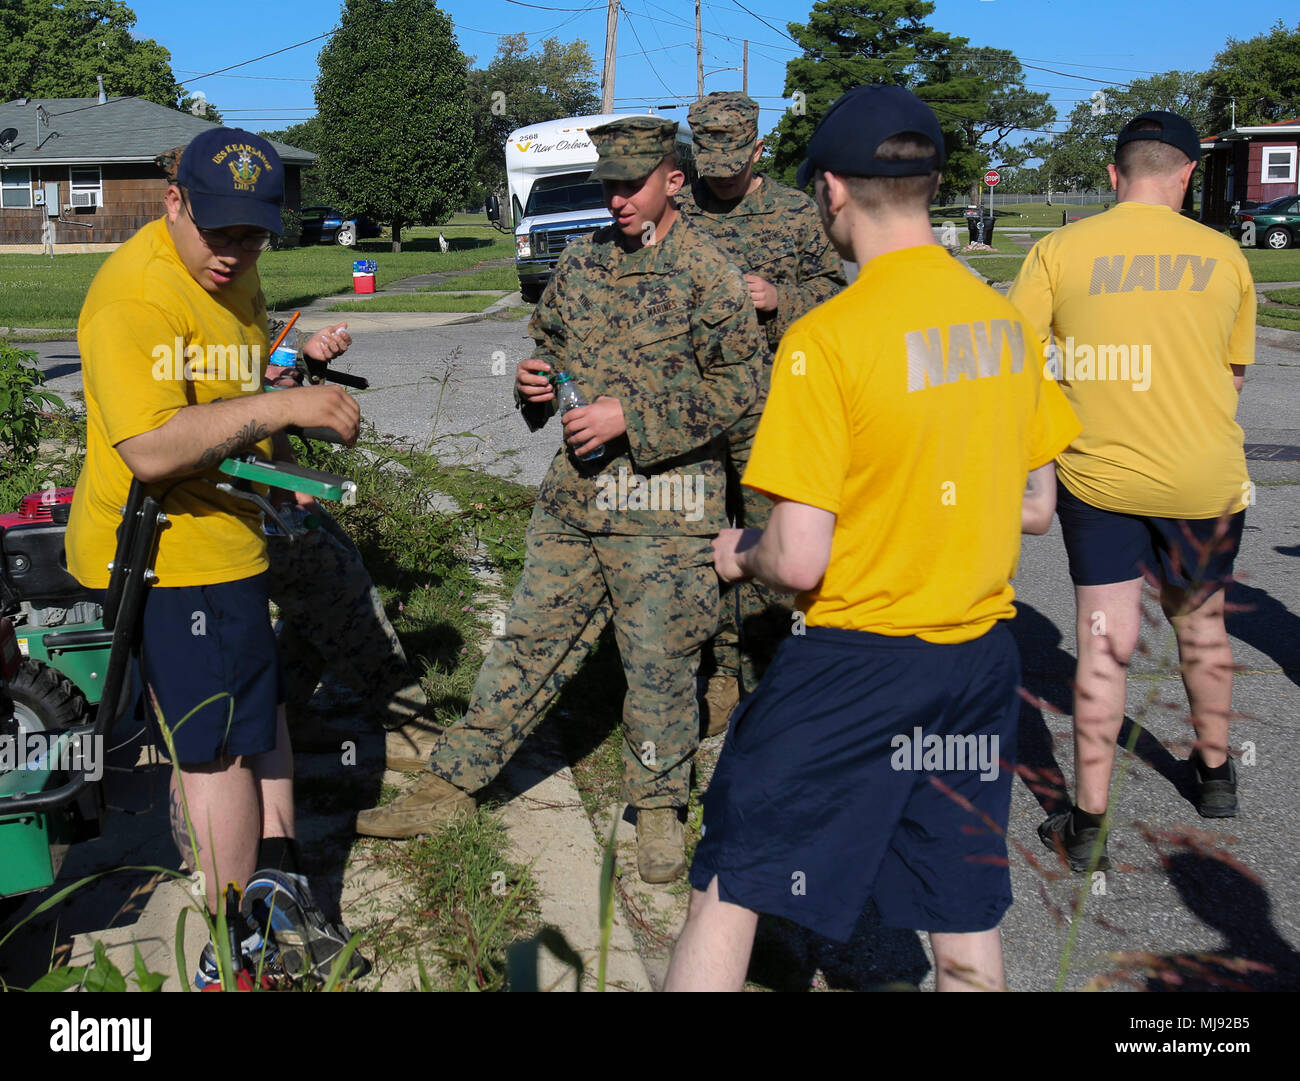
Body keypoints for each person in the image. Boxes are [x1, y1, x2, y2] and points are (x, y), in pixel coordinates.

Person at [663, 85, 1080, 991]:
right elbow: (1037, 504)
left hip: (854, 661)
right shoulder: (1005, 325)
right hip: (978, 662)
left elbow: (801, 557)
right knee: (962, 918)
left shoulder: (827, 340)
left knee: (729, 880)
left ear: (833, 195)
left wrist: (739, 552)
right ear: (930, 188)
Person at [355, 116, 764, 884]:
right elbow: (548, 350)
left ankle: (659, 810)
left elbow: (743, 390)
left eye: (629, 185)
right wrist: (534, 386)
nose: (614, 200)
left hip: (668, 509)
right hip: (576, 503)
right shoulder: (580, 265)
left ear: (674, 181)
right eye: (606, 185)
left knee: (660, 667)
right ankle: (453, 781)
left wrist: (630, 417)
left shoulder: (709, 274)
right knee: (525, 642)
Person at [66, 127, 366, 986]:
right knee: (214, 754)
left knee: (255, 714)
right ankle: (234, 948)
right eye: (220, 232)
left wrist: (278, 446)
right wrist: (289, 410)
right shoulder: (134, 296)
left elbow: (224, 393)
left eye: (254, 234)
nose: (237, 253)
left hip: (226, 532)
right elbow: (156, 447)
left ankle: (275, 887)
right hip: (171, 555)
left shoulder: (226, 266)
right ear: (173, 204)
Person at [1008, 111, 1255, 871]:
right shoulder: (1225, 256)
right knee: (1201, 626)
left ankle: (1087, 823)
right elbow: (1234, 377)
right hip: (1204, 479)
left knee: (1103, 644)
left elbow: (1020, 367)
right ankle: (1214, 776)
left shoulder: (1057, 249)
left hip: (1098, 479)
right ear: (1185, 175)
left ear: (1115, 175)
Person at [682, 91, 846, 731]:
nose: (719, 178)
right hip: (694, 409)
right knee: (701, 539)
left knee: (769, 540)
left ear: (757, 149)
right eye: (708, 164)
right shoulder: (676, 209)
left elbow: (835, 295)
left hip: (775, 406)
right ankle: (720, 673)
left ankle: (772, 673)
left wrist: (781, 297)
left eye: (733, 162)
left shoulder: (795, 212)